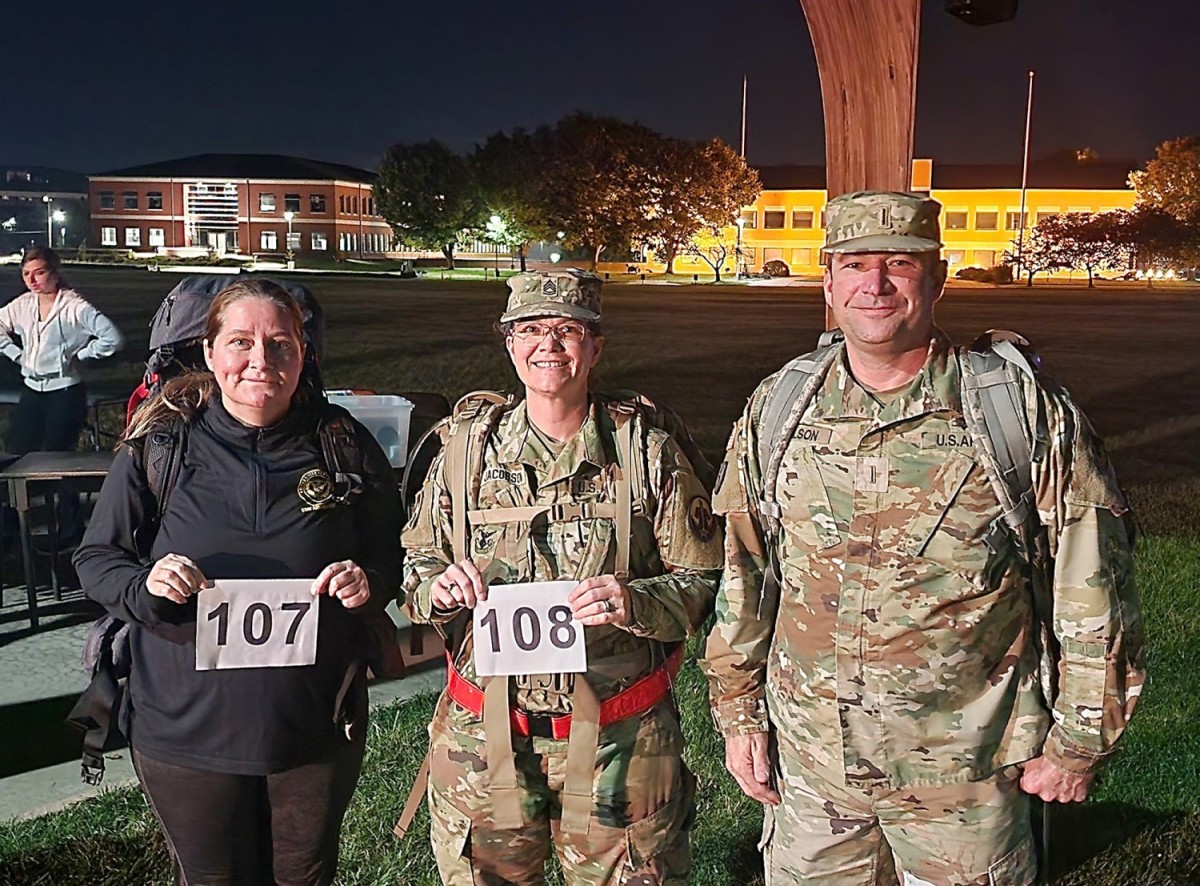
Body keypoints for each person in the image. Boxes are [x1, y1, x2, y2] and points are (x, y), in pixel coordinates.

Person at [701, 191, 1145, 885]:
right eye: (853, 264)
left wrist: (1080, 740)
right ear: (828, 280)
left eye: (899, 264)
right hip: (815, 771)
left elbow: (1093, 584)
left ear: (937, 279)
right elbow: (744, 573)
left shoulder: (1013, 407)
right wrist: (738, 714)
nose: (873, 285)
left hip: (964, 774)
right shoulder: (780, 406)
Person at [73, 278, 402, 885]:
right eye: (241, 342)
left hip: (312, 727)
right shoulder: (161, 445)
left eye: (281, 343)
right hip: (185, 730)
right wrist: (145, 587)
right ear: (209, 351)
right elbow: (98, 558)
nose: (261, 361)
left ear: (305, 354)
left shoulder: (344, 444)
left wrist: (369, 582)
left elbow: (389, 553)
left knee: (305, 876)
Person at [402, 269, 722, 885]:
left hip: (618, 740)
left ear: (595, 347)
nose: (548, 345)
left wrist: (636, 601)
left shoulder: (643, 452)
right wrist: (438, 588)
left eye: (567, 330)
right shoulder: (467, 453)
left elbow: (705, 576)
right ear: (509, 343)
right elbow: (418, 562)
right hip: (485, 740)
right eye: (530, 329)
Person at [0, 246, 124, 454]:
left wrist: (82, 354)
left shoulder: (74, 306)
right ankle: (24, 487)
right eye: (26, 274)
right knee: (17, 449)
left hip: (65, 392)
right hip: (31, 389)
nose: (32, 280)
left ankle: (56, 487)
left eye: (39, 272)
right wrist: (16, 355)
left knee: (55, 454)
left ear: (55, 273)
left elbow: (113, 338)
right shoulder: (23, 304)